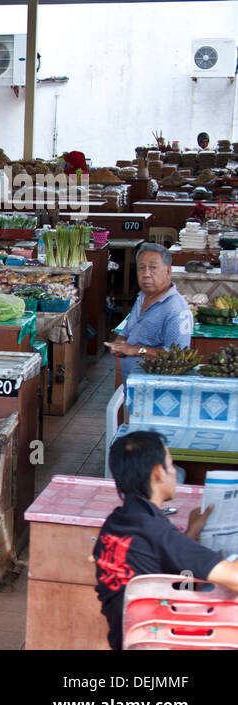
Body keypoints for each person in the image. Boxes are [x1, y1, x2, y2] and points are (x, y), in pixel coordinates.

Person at [94, 430, 238, 650]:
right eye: (171, 465)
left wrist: (191, 533)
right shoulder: (156, 532)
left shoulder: (115, 524)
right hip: (169, 641)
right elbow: (234, 578)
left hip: (130, 640)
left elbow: (157, 560)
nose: (174, 473)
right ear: (158, 473)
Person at [105, 243, 193, 376]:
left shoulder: (177, 310)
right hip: (133, 384)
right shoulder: (143, 296)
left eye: (153, 268)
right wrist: (119, 343)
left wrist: (136, 350)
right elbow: (127, 331)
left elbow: (178, 357)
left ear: (168, 271)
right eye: (141, 268)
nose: (146, 274)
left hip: (156, 389)